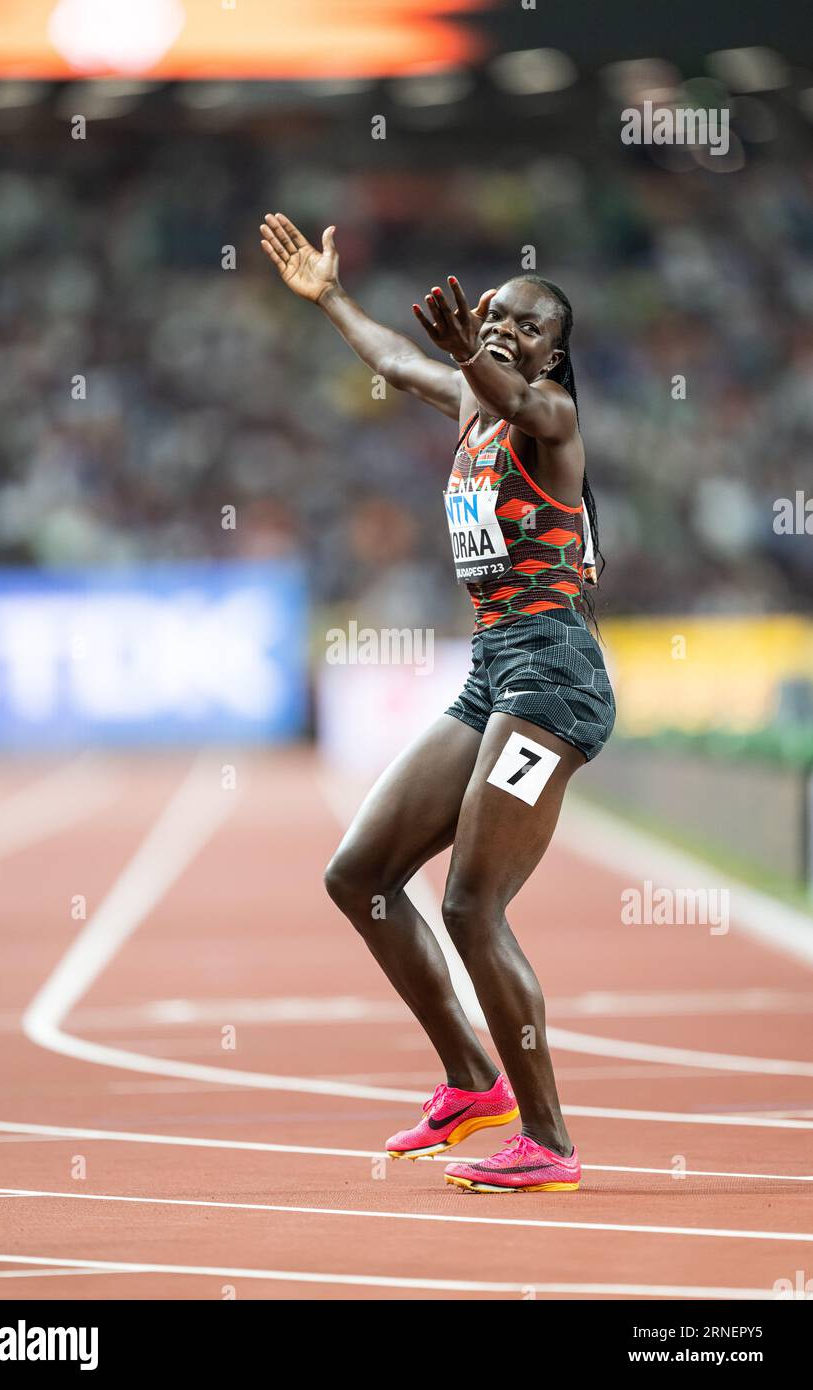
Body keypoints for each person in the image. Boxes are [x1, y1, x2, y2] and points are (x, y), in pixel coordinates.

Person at [260, 212, 615, 1192]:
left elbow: (509, 393)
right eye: (493, 315)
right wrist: (330, 298)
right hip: (490, 673)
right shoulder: (467, 398)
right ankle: (471, 1077)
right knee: (360, 872)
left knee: (469, 902)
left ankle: (545, 1139)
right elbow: (390, 356)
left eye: (526, 326)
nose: (504, 329)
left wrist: (478, 360)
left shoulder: (550, 420)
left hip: (553, 683)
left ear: (554, 352)